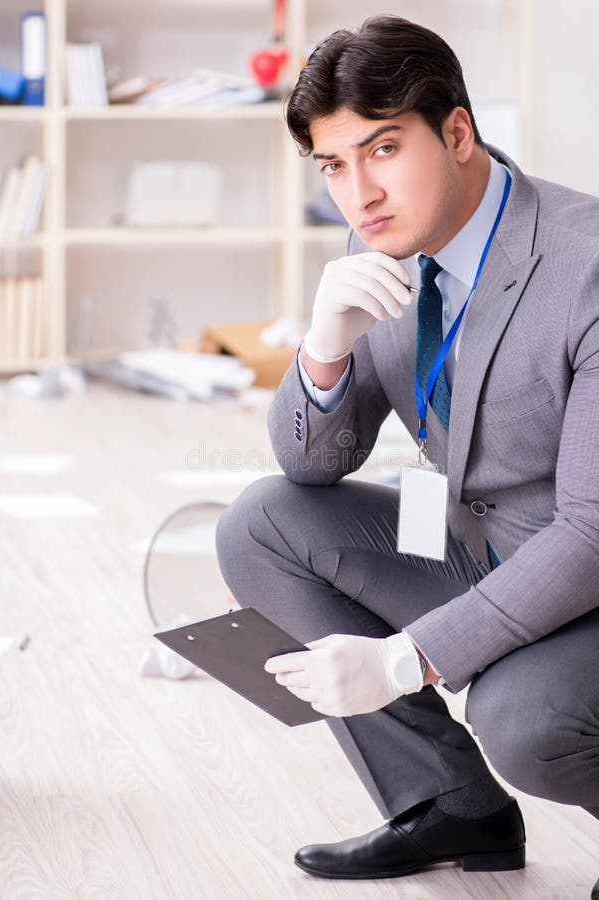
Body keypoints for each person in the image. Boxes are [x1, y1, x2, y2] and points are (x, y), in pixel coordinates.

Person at [215, 15, 599, 895]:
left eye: (382, 150)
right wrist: (321, 349)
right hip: (478, 546)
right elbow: (313, 467)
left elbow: (589, 532)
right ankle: (448, 804)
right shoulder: (376, 245)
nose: (359, 193)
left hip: (584, 581)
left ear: (456, 132)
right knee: (261, 526)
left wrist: (403, 659)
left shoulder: (582, 264)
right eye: (333, 166)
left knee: (525, 722)